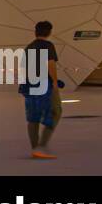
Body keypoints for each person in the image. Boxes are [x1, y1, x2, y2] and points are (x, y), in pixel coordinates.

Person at [21, 20, 61, 160]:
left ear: (35, 32)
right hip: (45, 84)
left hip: (30, 85)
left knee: (33, 117)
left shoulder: (29, 47)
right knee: (55, 112)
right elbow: (50, 64)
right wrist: (55, 82)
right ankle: (42, 146)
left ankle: (35, 148)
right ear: (49, 32)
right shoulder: (48, 45)